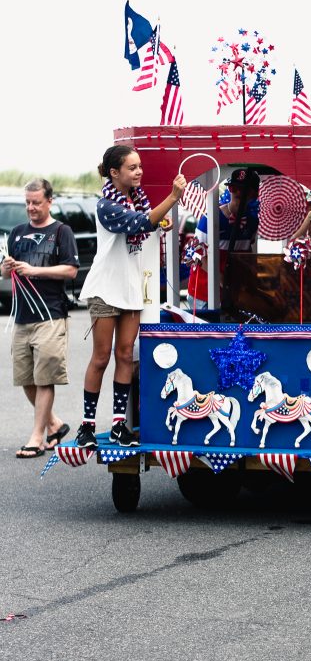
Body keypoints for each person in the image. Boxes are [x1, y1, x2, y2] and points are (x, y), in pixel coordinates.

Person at [76, 145, 187, 449]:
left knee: (126, 355)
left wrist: (161, 218)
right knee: (100, 358)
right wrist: (173, 198)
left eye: (140, 166)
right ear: (114, 173)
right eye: (132, 167)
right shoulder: (106, 205)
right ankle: (86, 426)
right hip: (105, 289)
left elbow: (149, 222)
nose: (139, 172)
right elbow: (141, 223)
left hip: (131, 290)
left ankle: (118, 426)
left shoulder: (137, 200)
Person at [1, 179, 79, 458]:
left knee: (45, 377)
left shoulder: (61, 231)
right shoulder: (17, 233)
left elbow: (71, 270)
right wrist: (7, 267)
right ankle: (55, 424)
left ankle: (37, 437)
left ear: (49, 201)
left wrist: (34, 271)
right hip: (22, 316)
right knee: (26, 378)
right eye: (28, 203)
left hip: (51, 314)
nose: (31, 208)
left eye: (36, 202)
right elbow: (4, 273)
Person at [186, 167, 260, 312]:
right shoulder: (209, 219)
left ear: (253, 195)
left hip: (234, 295)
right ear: (230, 190)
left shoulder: (252, 222)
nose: (239, 194)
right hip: (204, 292)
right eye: (235, 190)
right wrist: (222, 280)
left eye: (244, 192)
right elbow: (198, 254)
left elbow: (246, 254)